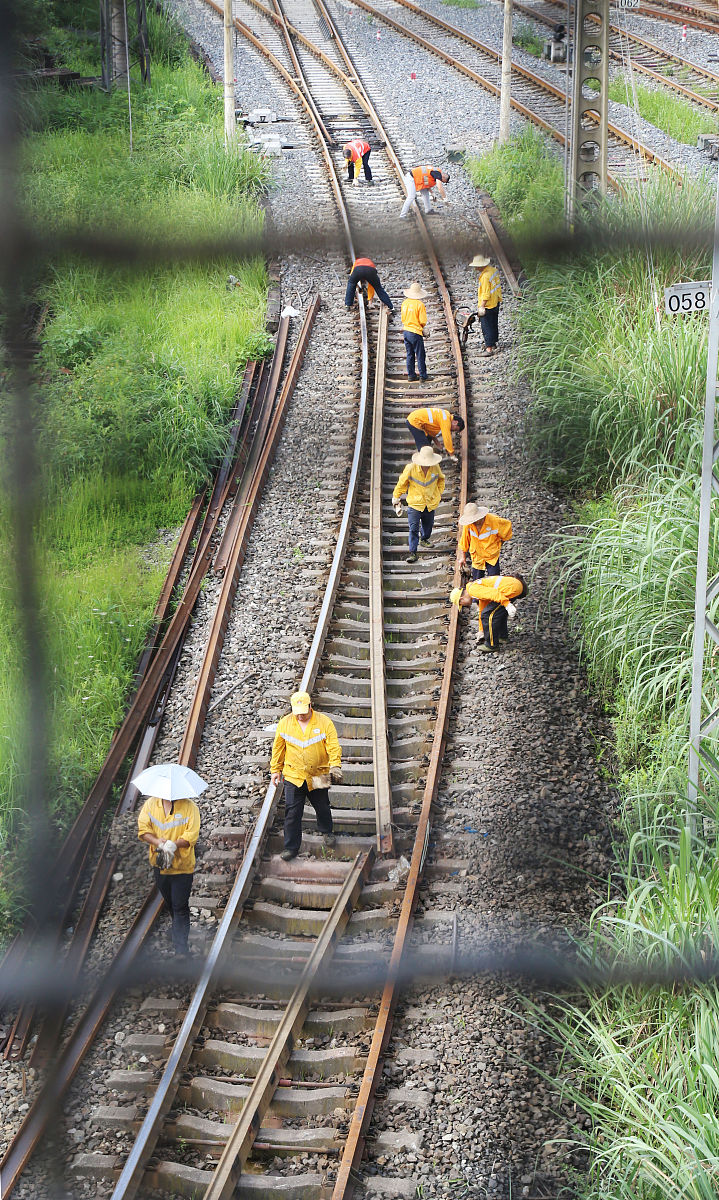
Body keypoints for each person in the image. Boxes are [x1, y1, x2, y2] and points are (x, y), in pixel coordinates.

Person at [270, 691, 342, 861]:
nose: (300, 716)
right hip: (294, 775)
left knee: (322, 806)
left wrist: (335, 766)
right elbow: (278, 748)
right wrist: (275, 770)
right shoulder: (285, 723)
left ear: (311, 706)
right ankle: (291, 847)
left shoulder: (324, 723)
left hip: (319, 773)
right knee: (292, 813)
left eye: (303, 712)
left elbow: (333, 746)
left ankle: (327, 831)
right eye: (297, 713)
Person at [138, 792, 201, 955]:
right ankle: (178, 931)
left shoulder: (190, 808)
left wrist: (174, 844)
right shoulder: (151, 805)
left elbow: (192, 835)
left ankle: (181, 950)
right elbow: (143, 829)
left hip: (182, 867)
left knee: (180, 906)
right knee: (171, 903)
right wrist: (157, 842)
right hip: (160, 865)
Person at [392, 444, 445, 564]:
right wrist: (396, 496)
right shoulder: (411, 468)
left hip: (430, 502)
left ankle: (425, 539)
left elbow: (441, 480)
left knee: (428, 524)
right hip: (415, 503)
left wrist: (438, 493)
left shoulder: (435, 468)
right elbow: (402, 483)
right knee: (413, 528)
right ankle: (413, 552)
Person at [450, 573, 528, 651]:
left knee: (488, 615)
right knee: (497, 613)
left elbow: (494, 593)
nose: (464, 605)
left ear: (461, 599)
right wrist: (481, 630)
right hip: (515, 586)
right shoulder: (473, 587)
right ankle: (502, 637)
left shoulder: (473, 590)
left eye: (461, 604)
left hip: (511, 589)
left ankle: (491, 645)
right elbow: (482, 609)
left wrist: (507, 604)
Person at [456, 502, 513, 580]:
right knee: (477, 581)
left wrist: (498, 545)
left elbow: (507, 528)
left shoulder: (494, 521)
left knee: (494, 581)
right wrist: (463, 557)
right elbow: (464, 541)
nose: (473, 522)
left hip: (491, 556)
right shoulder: (469, 524)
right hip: (477, 557)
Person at [470, 253, 502, 356]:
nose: (475, 268)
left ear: (480, 266)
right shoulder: (493, 271)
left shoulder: (484, 276)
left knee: (486, 326)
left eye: (476, 266)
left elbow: (486, 294)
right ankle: (494, 342)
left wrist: (481, 306)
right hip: (495, 302)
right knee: (493, 323)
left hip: (488, 305)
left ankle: (489, 348)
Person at [401, 281, 430, 383]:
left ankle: (411, 375)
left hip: (406, 331)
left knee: (410, 354)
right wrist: (422, 328)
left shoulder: (404, 303)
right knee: (420, 354)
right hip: (415, 332)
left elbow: (403, 318)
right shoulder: (420, 304)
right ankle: (423, 376)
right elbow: (422, 321)